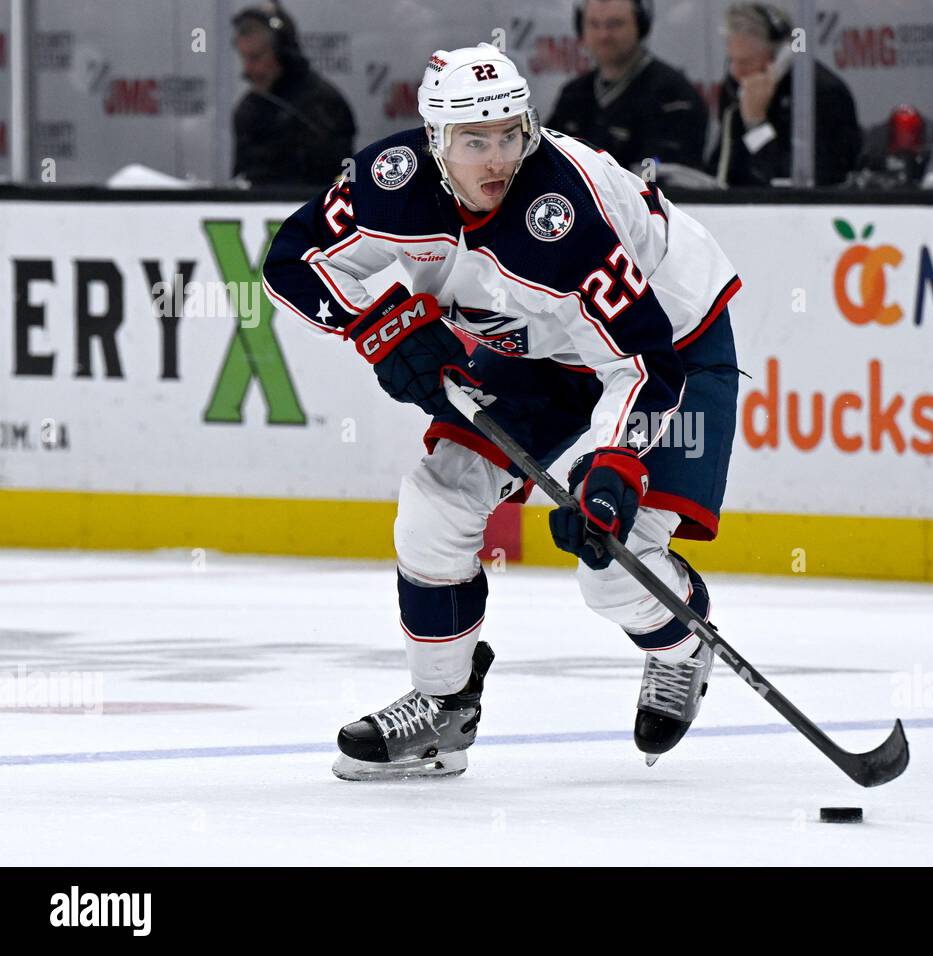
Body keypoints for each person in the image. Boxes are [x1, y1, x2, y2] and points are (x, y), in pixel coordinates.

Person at [262, 43, 742, 780]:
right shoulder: (391, 180)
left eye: (510, 134)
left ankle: (681, 644)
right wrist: (380, 327)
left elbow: (641, 363)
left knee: (613, 569)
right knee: (436, 502)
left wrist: (613, 465)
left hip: (669, 343)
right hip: (533, 346)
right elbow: (294, 259)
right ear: (434, 140)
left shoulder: (563, 218)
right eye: (474, 141)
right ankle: (443, 706)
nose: (497, 159)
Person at [547, 0, 708, 173]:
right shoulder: (573, 94)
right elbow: (545, 160)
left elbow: (662, 178)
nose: (603, 35)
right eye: (594, 24)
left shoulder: (673, 96)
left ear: (640, 26)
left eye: (615, 24)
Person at [710, 3, 861, 187]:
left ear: (781, 55)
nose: (735, 72)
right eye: (731, 60)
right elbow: (721, 169)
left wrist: (756, 125)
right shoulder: (736, 88)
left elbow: (791, 180)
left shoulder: (823, 95)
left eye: (746, 63)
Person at [231, 2, 356, 187]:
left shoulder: (324, 105)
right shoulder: (248, 109)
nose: (248, 69)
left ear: (283, 53)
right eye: (244, 57)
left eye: (256, 57)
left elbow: (343, 180)